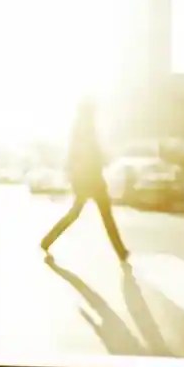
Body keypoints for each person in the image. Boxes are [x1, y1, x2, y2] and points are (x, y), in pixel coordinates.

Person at [40, 98, 129, 262]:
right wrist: (102, 160)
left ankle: (47, 240)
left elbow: (79, 155)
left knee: (78, 213)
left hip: (86, 179)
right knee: (104, 215)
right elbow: (88, 154)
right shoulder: (85, 129)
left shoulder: (81, 128)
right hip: (91, 179)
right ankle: (121, 251)